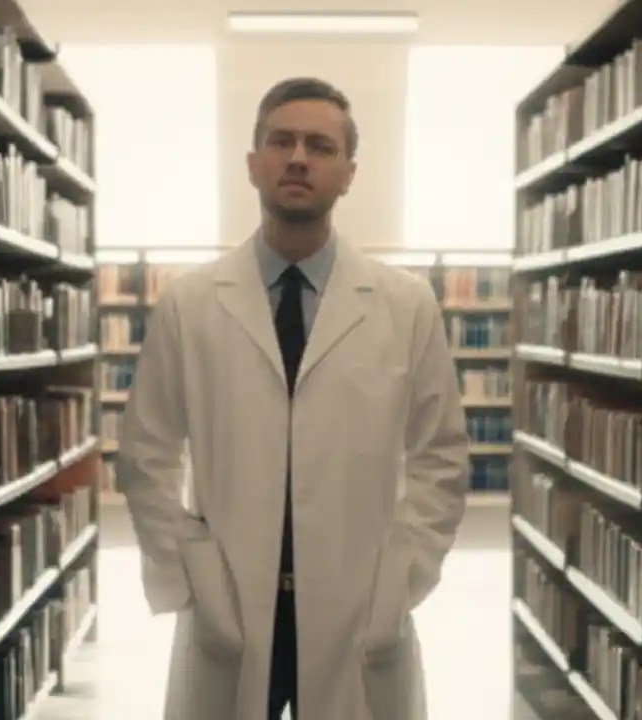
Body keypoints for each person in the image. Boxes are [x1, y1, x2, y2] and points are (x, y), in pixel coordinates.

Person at [117, 76, 470, 720]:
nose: (299, 157)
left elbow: (441, 459)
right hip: (229, 609)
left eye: (320, 145)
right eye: (281, 141)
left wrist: (400, 579)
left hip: (360, 609)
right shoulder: (191, 304)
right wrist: (192, 574)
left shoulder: (405, 305)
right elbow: (146, 455)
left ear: (348, 174)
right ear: (254, 165)